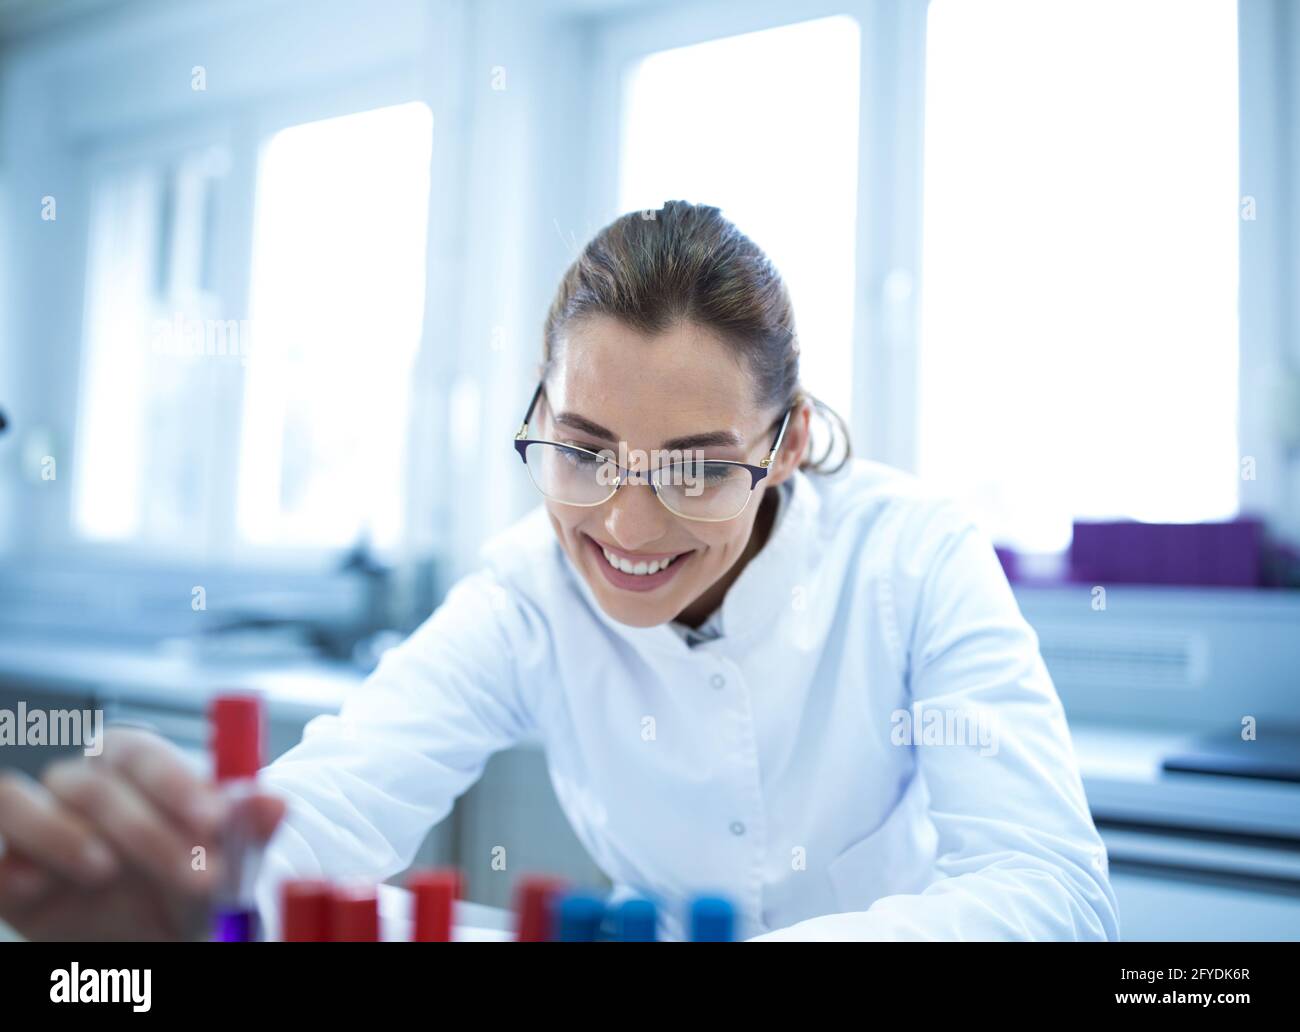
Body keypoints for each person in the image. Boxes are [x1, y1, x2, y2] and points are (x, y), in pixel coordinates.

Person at [0, 201, 1118, 941]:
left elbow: (1056, 894)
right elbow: (336, 798)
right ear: (540, 411)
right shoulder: (524, 596)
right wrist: (197, 876)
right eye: (582, 450)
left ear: (784, 442)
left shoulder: (913, 554)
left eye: (694, 467)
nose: (626, 524)